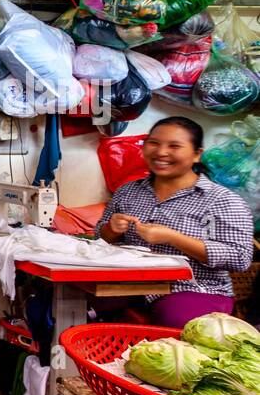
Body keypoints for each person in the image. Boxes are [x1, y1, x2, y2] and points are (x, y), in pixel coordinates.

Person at [98, 115, 254, 328]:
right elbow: (98, 239)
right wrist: (110, 230)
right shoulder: (129, 192)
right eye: (153, 143)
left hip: (194, 288)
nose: (161, 152)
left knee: (177, 320)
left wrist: (173, 238)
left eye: (174, 146)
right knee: (72, 302)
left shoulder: (220, 200)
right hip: (129, 285)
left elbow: (239, 258)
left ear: (197, 155)